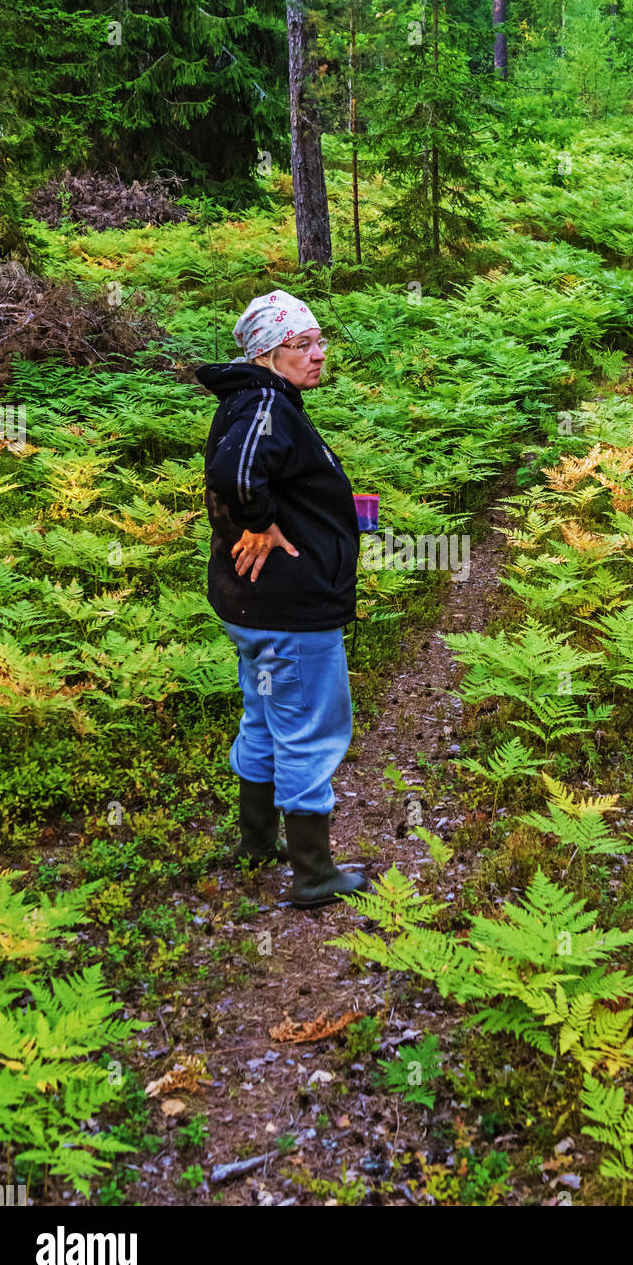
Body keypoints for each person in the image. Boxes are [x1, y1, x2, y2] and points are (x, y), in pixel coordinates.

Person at [195, 290, 369, 909]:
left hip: (257, 606)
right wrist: (261, 522)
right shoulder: (264, 405)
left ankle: (257, 843)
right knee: (308, 730)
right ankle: (315, 872)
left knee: (266, 717)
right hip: (290, 611)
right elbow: (236, 475)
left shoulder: (258, 401)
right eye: (303, 345)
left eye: (320, 341)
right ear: (268, 353)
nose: (318, 355)